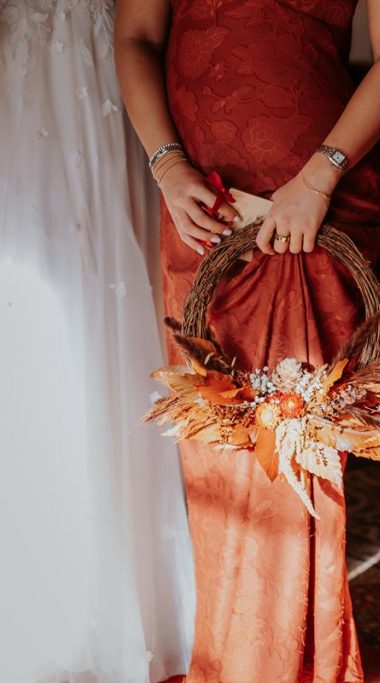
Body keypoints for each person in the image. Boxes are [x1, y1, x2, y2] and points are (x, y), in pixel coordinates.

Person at [115, 1, 380, 680]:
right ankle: (229, 656)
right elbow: (135, 35)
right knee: (216, 448)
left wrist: (321, 174)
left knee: (296, 448)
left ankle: (286, 662)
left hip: (315, 201)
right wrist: (166, 166)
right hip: (200, 202)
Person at [0, 2, 195, 681]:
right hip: (22, 90)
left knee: (118, 314)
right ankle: (41, 596)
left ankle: (121, 585)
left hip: (113, 88)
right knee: (36, 314)